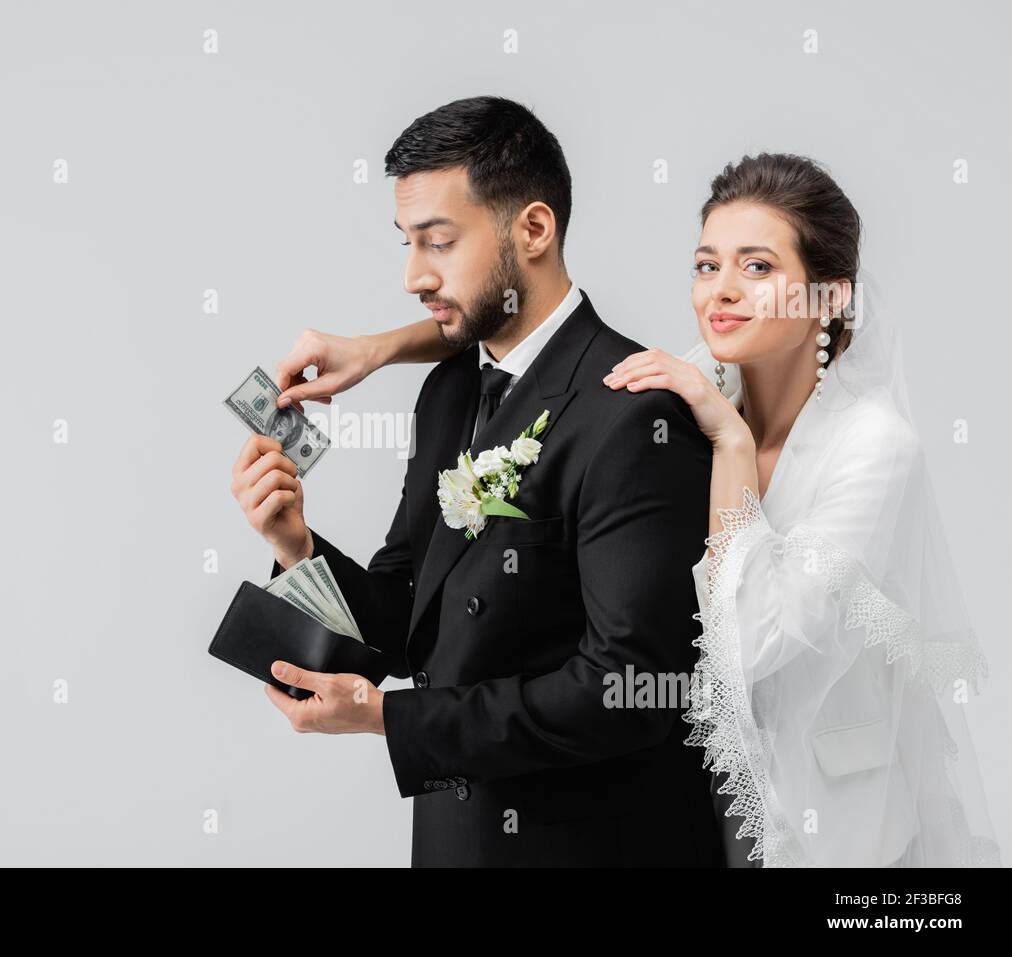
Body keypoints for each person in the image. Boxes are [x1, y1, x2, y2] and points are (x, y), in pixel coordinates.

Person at [269, 150, 1003, 867]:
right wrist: (377, 349)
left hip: (824, 812)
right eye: (706, 264)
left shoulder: (873, 445)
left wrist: (732, 446)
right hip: (698, 800)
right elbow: (537, 338)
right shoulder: (694, 374)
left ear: (831, 296)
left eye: (757, 267)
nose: (720, 290)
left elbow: (748, 645)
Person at [231, 96, 723, 866]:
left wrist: (395, 720)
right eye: (406, 243)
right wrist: (294, 546)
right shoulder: (452, 388)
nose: (411, 276)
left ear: (533, 228)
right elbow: (405, 616)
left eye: (438, 242)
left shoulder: (633, 413)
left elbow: (632, 690)